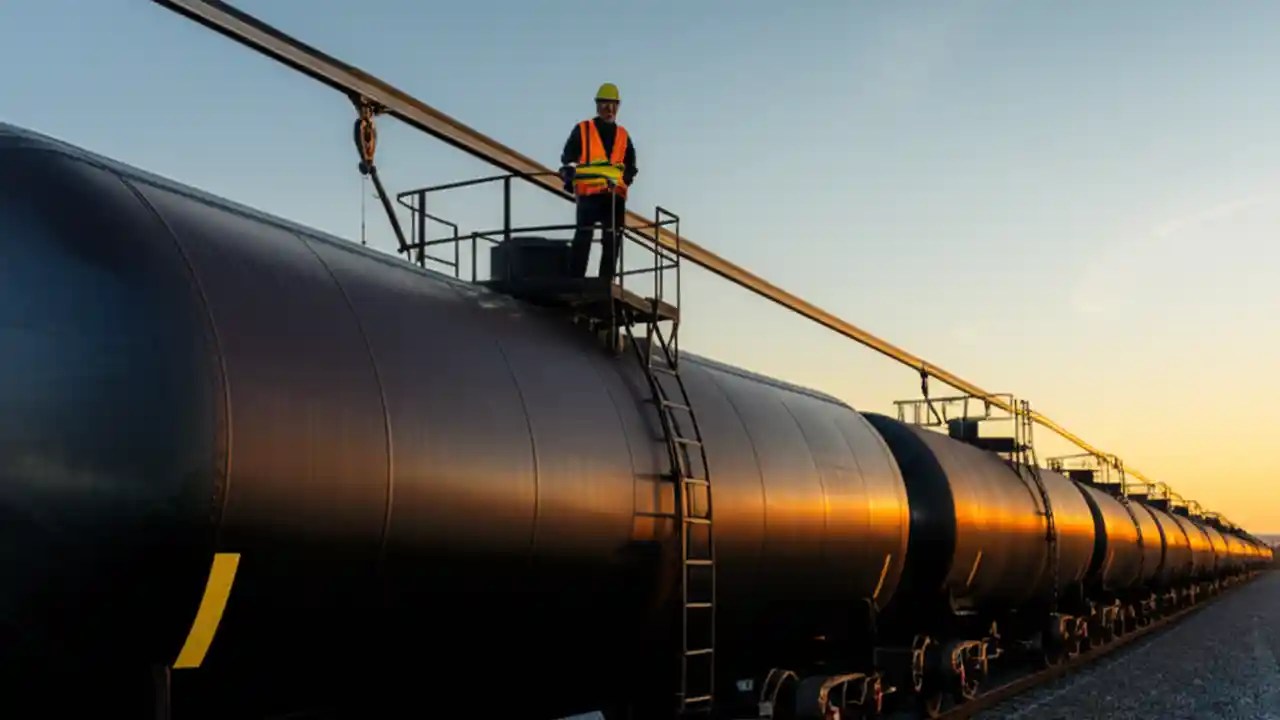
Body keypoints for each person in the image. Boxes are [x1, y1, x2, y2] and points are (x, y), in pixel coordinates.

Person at [560, 82, 637, 283]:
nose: (609, 109)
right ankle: (575, 280)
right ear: (597, 105)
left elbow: (631, 165)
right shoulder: (583, 129)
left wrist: (626, 179)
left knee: (612, 240)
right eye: (605, 105)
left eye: (613, 105)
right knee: (583, 237)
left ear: (618, 107)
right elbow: (568, 157)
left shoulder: (623, 135)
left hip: (614, 198)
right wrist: (569, 174)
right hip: (589, 195)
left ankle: (605, 281)